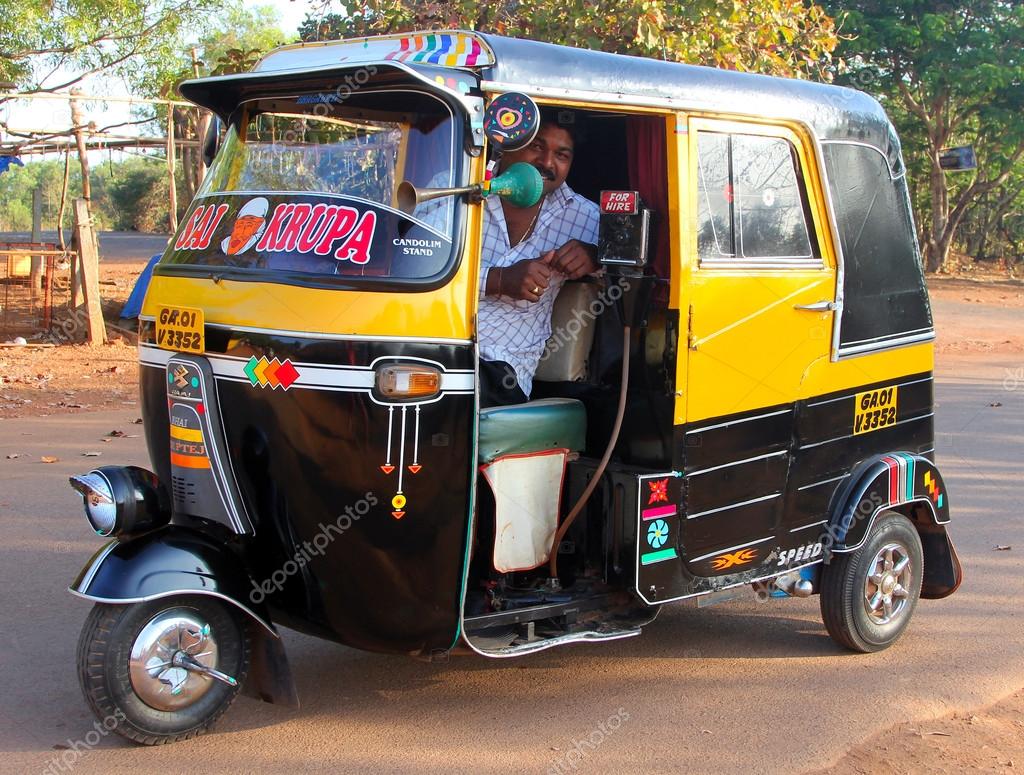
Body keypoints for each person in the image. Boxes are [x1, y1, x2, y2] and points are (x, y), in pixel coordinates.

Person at [478, 111, 600, 407]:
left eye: (561, 155)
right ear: (505, 147)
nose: (547, 163)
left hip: (502, 372)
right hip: (434, 346)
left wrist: (594, 257)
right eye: (536, 147)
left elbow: (633, 276)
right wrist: (499, 279)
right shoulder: (461, 190)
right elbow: (412, 266)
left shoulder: (586, 218)